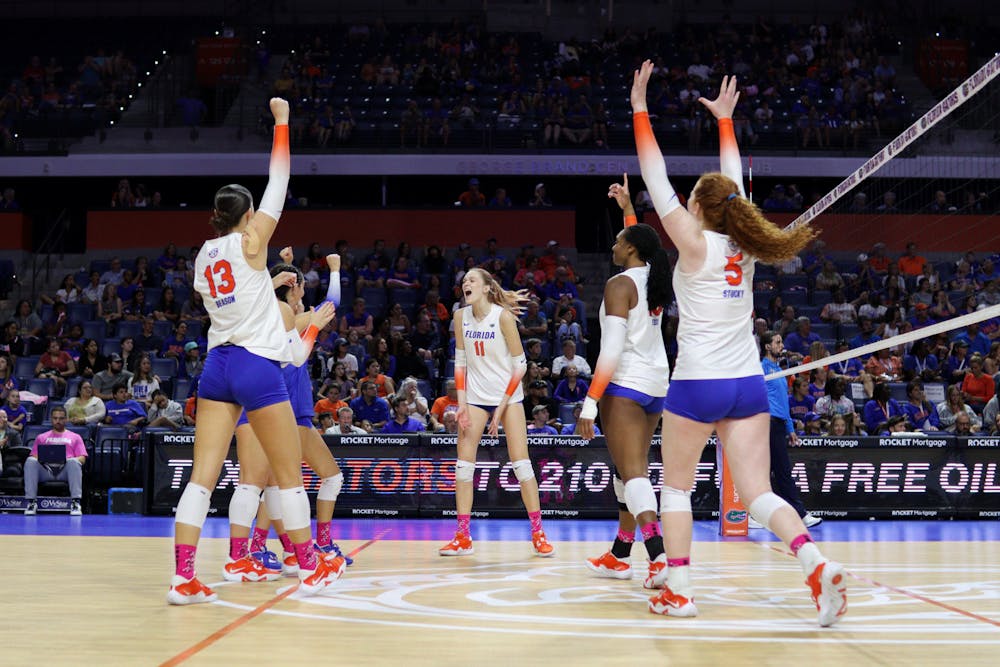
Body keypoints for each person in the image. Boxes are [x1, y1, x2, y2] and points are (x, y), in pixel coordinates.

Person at [631, 65, 846, 625]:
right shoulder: (744, 245)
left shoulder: (695, 242)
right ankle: (815, 563)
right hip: (749, 384)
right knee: (757, 494)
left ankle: (679, 591)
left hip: (698, 383)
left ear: (697, 207)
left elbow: (654, 178)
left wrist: (639, 109)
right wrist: (726, 123)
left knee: (674, 489)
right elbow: (735, 188)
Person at [168, 98, 343, 606]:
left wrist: (269, 282)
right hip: (254, 364)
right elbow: (280, 180)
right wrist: (283, 124)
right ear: (246, 216)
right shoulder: (252, 241)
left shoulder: (204, 256)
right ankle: (311, 567)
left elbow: (236, 298)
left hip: (216, 366)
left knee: (203, 476)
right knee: (287, 475)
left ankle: (183, 577)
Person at [229, 256, 349, 581]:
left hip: (243, 396)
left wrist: (285, 271)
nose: (303, 294)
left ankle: (247, 556)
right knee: (283, 486)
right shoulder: (283, 315)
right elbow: (300, 349)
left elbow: (294, 352)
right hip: (276, 407)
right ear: (291, 288)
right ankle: (302, 555)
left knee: (257, 486)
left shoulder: (259, 311)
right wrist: (334, 270)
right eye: (300, 287)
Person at [578, 182, 673, 585]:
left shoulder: (620, 285)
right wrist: (628, 208)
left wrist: (589, 402)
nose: (613, 245)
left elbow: (610, 353)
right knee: (625, 469)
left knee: (634, 474)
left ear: (630, 250)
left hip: (625, 385)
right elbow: (641, 242)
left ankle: (659, 557)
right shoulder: (652, 276)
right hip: (655, 386)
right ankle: (619, 554)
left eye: (619, 240)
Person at [440, 267, 554, 558]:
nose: (466, 283)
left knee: (522, 465)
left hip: (508, 396)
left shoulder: (502, 317)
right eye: (463, 280)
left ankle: (538, 534)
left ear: (487, 288)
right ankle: (463, 536)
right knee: (463, 466)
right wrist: (462, 403)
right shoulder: (459, 317)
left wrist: (501, 408)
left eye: (472, 280)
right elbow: (461, 362)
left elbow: (521, 365)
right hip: (476, 396)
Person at [756, 333, 821, 529]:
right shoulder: (762, 369)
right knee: (779, 470)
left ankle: (755, 514)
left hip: (777, 424)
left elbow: (783, 403)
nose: (782, 346)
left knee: (773, 471)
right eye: (777, 342)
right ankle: (800, 514)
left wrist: (790, 427)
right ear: (767, 346)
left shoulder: (778, 370)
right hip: (766, 423)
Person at [23, 407, 86, 516]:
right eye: (55, 418)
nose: (58, 421)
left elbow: (82, 458)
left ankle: (76, 503)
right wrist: (44, 459)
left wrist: (68, 460)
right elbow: (34, 455)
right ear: (51, 419)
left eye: (61, 418)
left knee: (74, 462)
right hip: (46, 470)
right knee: (30, 461)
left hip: (65, 471)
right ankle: (31, 502)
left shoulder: (76, 437)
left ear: (66, 419)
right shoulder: (41, 437)